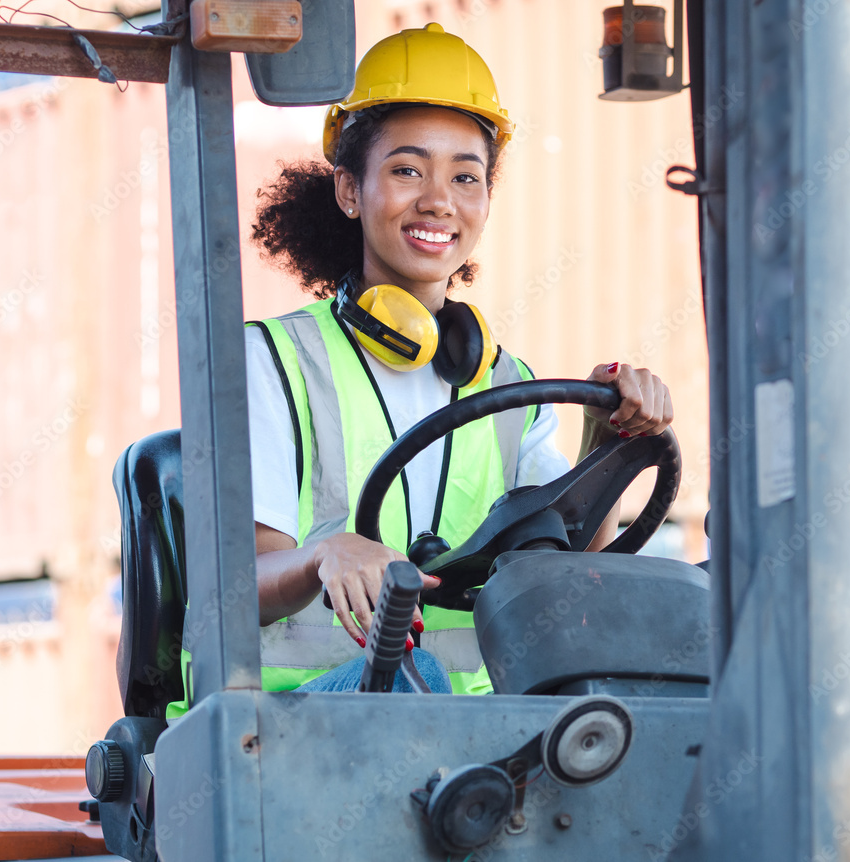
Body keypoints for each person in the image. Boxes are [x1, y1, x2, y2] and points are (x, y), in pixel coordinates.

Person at [167, 23, 673, 717]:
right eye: (408, 169)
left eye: (466, 176)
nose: (439, 199)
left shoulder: (508, 388)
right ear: (350, 189)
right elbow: (232, 590)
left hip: (464, 744)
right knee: (417, 684)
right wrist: (327, 555)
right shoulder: (273, 363)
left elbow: (574, 578)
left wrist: (606, 440)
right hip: (286, 732)